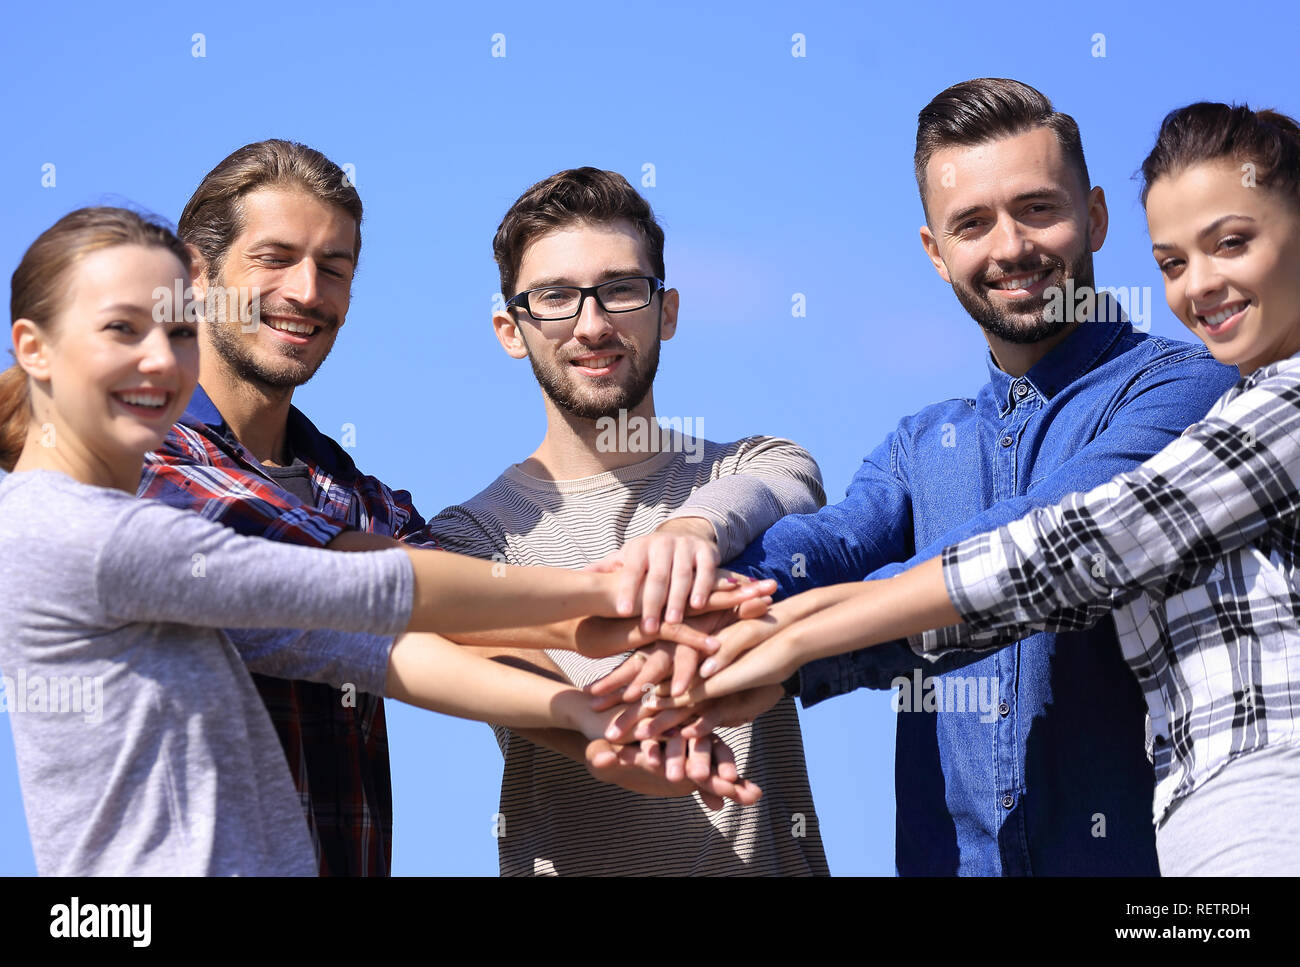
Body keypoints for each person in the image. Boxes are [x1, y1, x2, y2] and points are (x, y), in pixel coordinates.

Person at [596, 78, 1241, 876]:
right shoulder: (917, 445)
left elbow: (1035, 544)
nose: (1010, 247)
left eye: (1037, 207)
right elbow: (825, 544)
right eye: (972, 223)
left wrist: (786, 648)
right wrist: (701, 607)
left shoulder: (1195, 389)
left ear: (1098, 216)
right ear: (936, 253)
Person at [0, 207, 764, 876]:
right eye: (120, 330)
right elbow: (357, 589)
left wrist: (585, 712)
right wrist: (603, 596)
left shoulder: (343, 492)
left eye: (174, 331)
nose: (160, 360)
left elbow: (368, 646)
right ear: (33, 348)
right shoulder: (93, 527)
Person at [427, 167, 831, 875]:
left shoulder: (748, 467)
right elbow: (489, 651)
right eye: (554, 297)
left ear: (666, 311)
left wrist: (691, 532)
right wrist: (606, 720)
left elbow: (789, 484)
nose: (592, 324)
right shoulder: (472, 538)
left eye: (619, 289)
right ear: (510, 329)